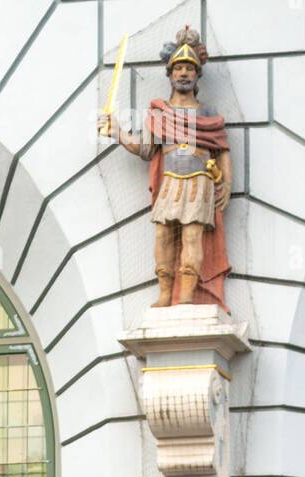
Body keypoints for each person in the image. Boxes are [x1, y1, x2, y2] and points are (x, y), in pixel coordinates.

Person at [101, 27, 231, 309]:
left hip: (199, 180)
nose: (183, 73)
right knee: (163, 234)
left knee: (192, 235)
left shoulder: (207, 112)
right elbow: (145, 149)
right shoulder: (160, 112)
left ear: (197, 75)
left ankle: (185, 295)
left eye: (189, 68)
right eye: (179, 68)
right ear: (170, 74)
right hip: (171, 180)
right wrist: (118, 133)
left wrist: (227, 184)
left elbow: (221, 148)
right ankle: (165, 290)